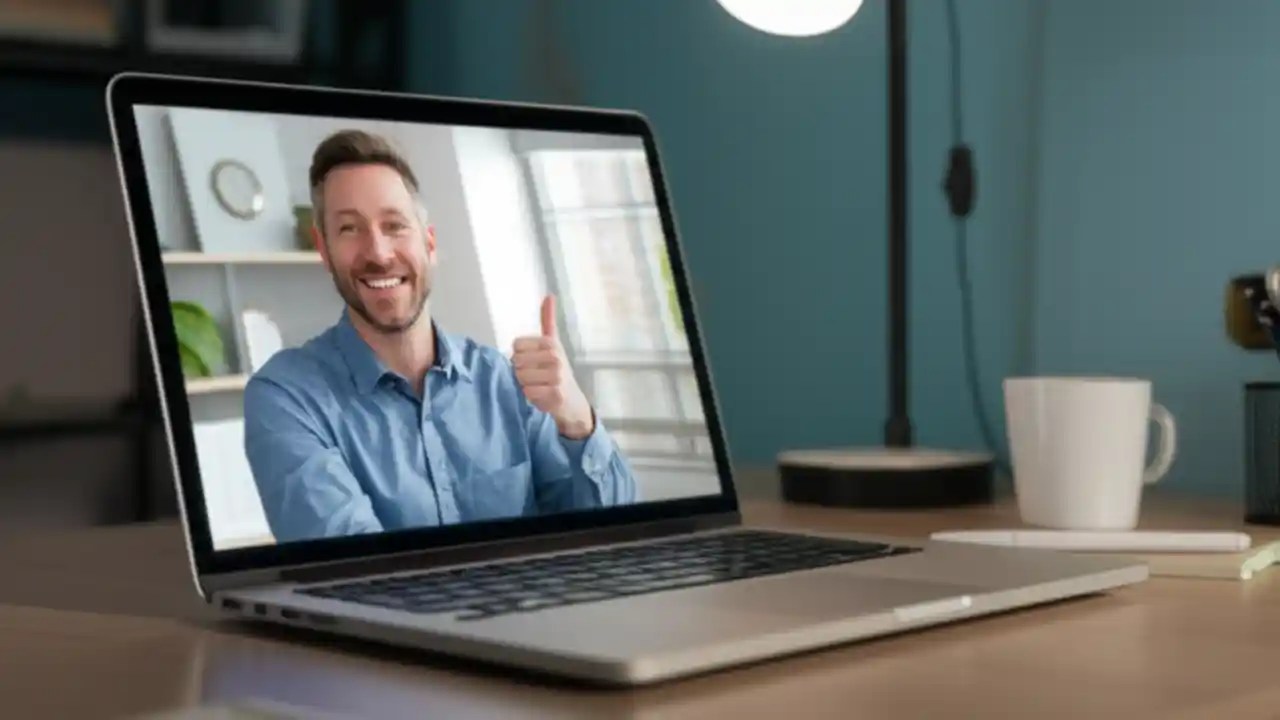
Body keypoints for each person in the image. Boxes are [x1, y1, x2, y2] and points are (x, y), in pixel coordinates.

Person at [243, 129, 638, 542]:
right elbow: (353, 574)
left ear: (428, 243)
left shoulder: (504, 381)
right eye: (349, 229)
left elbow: (618, 537)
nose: (378, 253)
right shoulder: (286, 400)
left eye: (394, 225)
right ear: (323, 251)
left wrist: (577, 420)